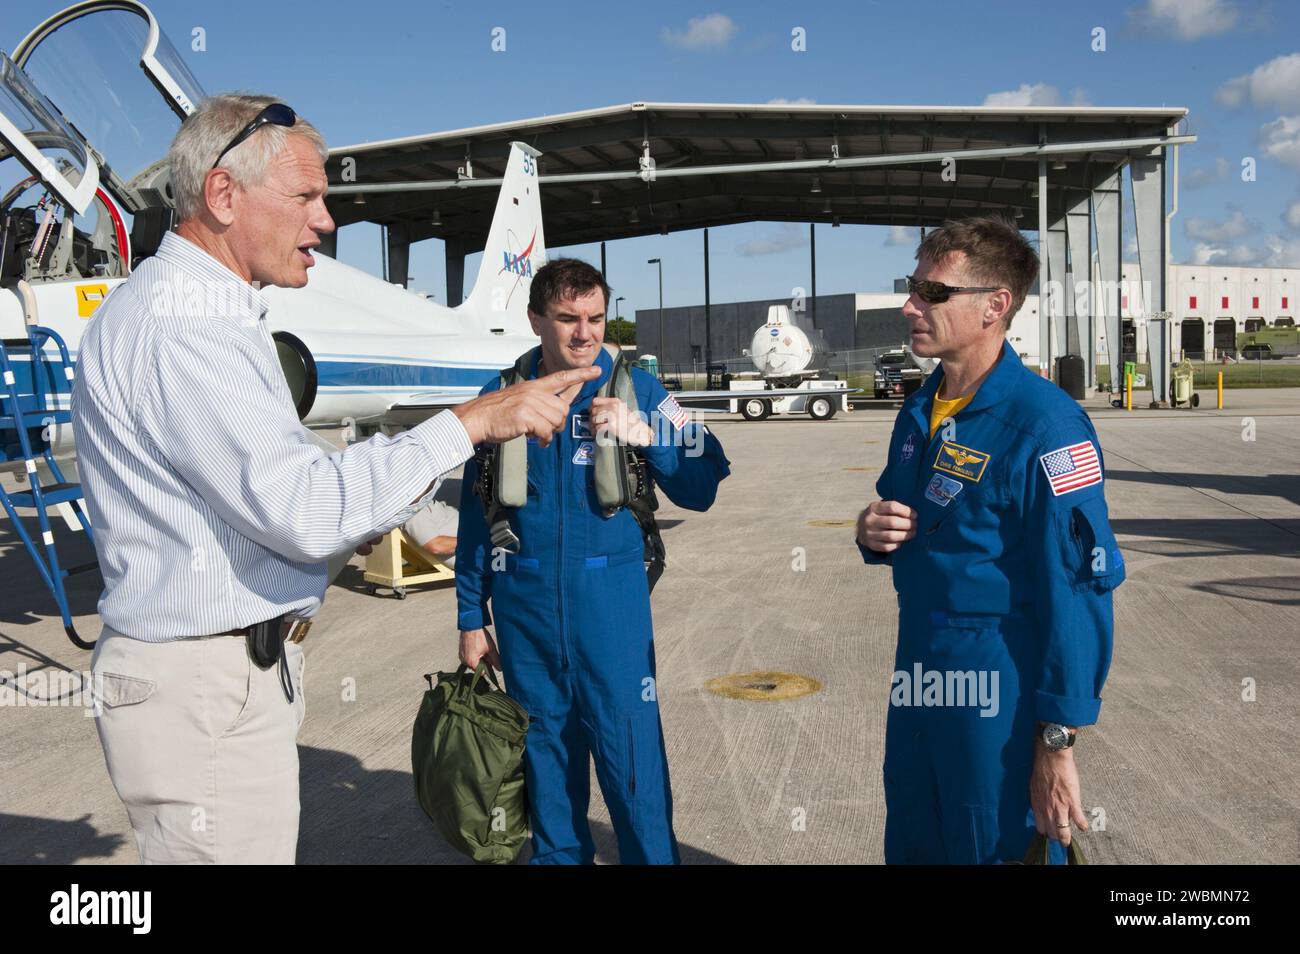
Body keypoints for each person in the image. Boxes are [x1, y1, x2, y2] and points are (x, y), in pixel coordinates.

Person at [71, 94, 597, 864]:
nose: (327, 221)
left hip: (220, 676)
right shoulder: (184, 325)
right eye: (306, 197)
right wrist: (472, 423)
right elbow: (308, 510)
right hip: (203, 687)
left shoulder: (204, 313)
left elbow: (288, 487)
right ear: (223, 196)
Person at [855, 217, 1125, 864]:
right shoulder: (921, 409)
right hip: (918, 664)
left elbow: (1080, 587)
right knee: (917, 839)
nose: (909, 304)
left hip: (996, 684)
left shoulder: (1047, 425)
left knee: (993, 844)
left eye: (932, 292)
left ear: (994, 306)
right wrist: (872, 532)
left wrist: (1057, 738)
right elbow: (905, 516)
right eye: (912, 287)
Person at [456, 258, 730, 864]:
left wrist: (647, 436)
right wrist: (470, 616)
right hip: (525, 615)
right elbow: (477, 516)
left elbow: (704, 482)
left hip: (612, 618)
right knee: (547, 779)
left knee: (633, 773)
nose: (585, 333)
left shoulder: (640, 388)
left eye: (596, 318)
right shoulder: (501, 395)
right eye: (567, 318)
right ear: (535, 320)